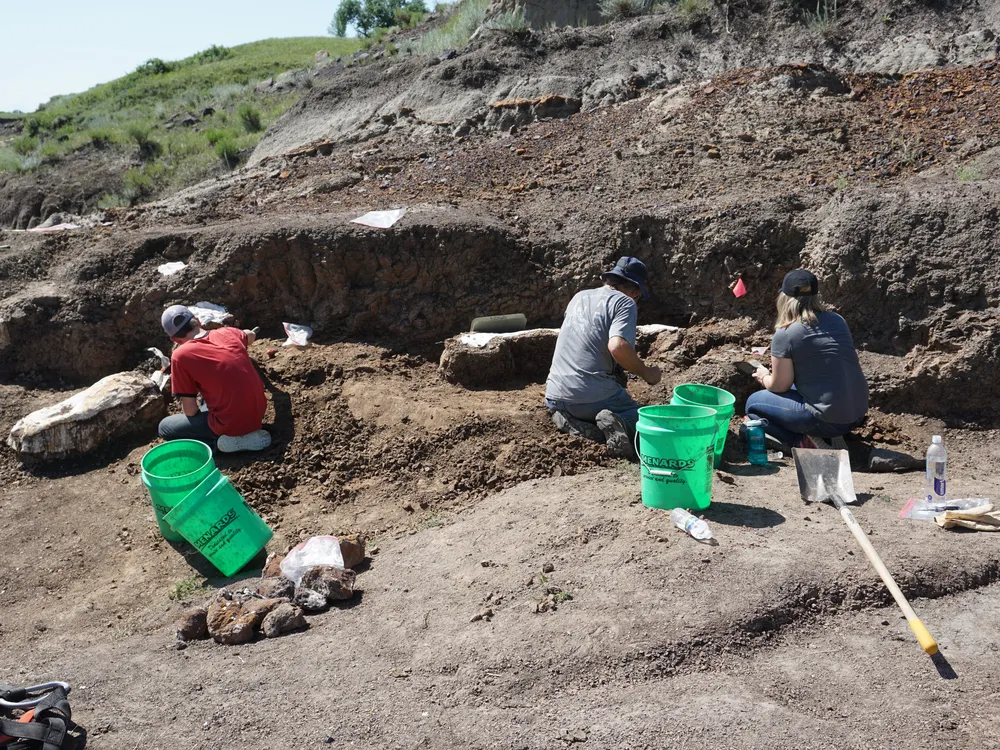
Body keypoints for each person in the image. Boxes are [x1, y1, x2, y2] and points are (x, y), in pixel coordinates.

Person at [545, 256, 662, 459]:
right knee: (649, 420)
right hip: (589, 396)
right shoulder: (625, 302)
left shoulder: (578, 297)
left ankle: (578, 423)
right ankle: (621, 422)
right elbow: (617, 347)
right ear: (635, 292)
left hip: (554, 395)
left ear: (608, 279)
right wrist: (647, 373)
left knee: (594, 401)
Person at [746, 269, 868, 449]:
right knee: (797, 386)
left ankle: (803, 442)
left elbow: (779, 386)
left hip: (828, 420)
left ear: (785, 298)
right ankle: (830, 436)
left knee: (753, 404)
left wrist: (764, 376)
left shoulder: (785, 333)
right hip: (856, 414)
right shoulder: (838, 320)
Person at [157, 304, 272, 453]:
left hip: (230, 423)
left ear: (175, 339)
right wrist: (242, 334)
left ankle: (219, 443)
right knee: (207, 398)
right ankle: (240, 433)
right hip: (257, 413)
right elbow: (250, 335)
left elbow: (191, 411)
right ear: (197, 321)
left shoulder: (180, 356)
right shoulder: (227, 332)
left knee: (165, 427)